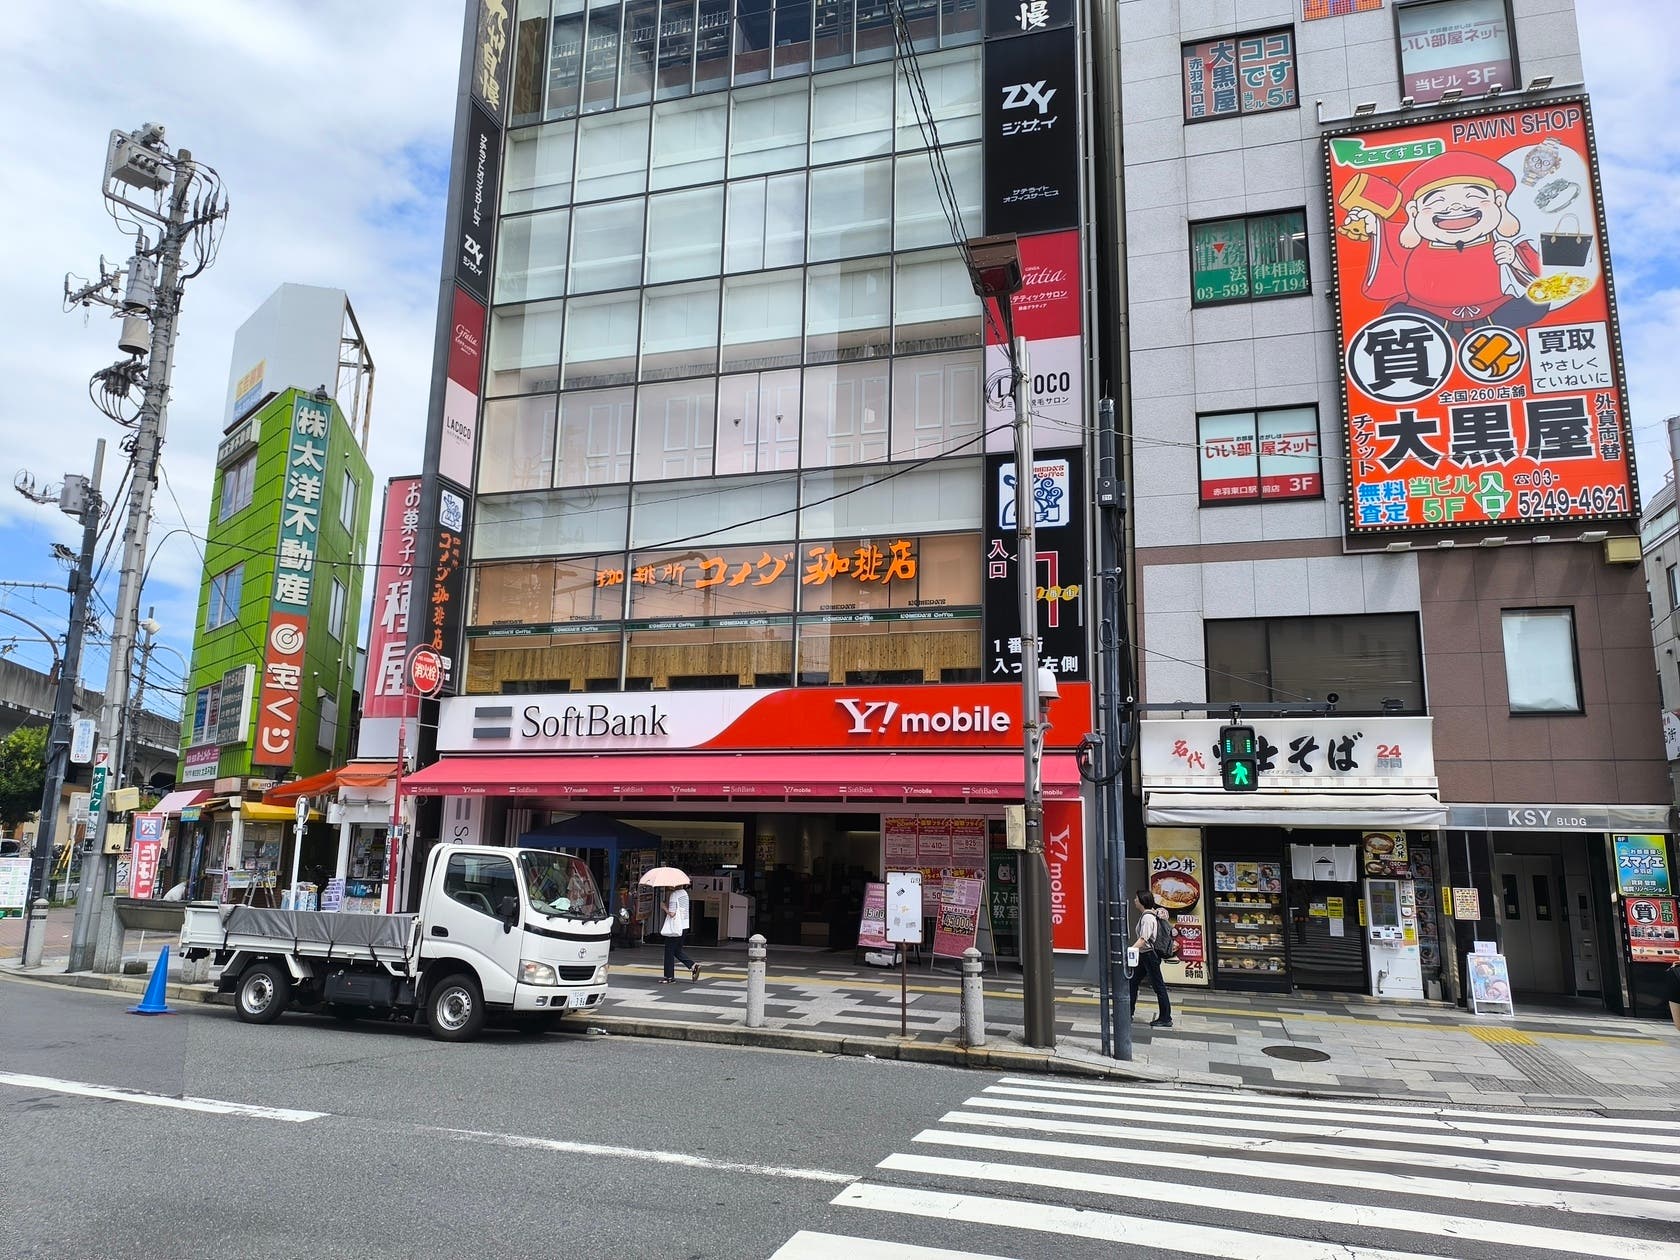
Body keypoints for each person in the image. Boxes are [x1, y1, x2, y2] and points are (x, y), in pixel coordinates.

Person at [1130, 889, 1173, 1029]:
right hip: (1144, 955)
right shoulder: (1147, 915)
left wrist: (1130, 950)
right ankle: (1128, 1012)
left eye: (1136, 899)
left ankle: (1166, 1018)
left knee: (1158, 986)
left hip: (1149, 955)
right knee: (1133, 982)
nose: (1134, 901)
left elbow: (1144, 939)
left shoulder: (1147, 917)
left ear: (1142, 901)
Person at [659, 881, 700, 984]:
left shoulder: (674, 894)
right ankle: (693, 966)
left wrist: (663, 906)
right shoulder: (684, 893)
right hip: (684, 926)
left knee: (669, 951)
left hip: (675, 928)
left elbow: (672, 913)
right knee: (676, 950)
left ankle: (669, 977)